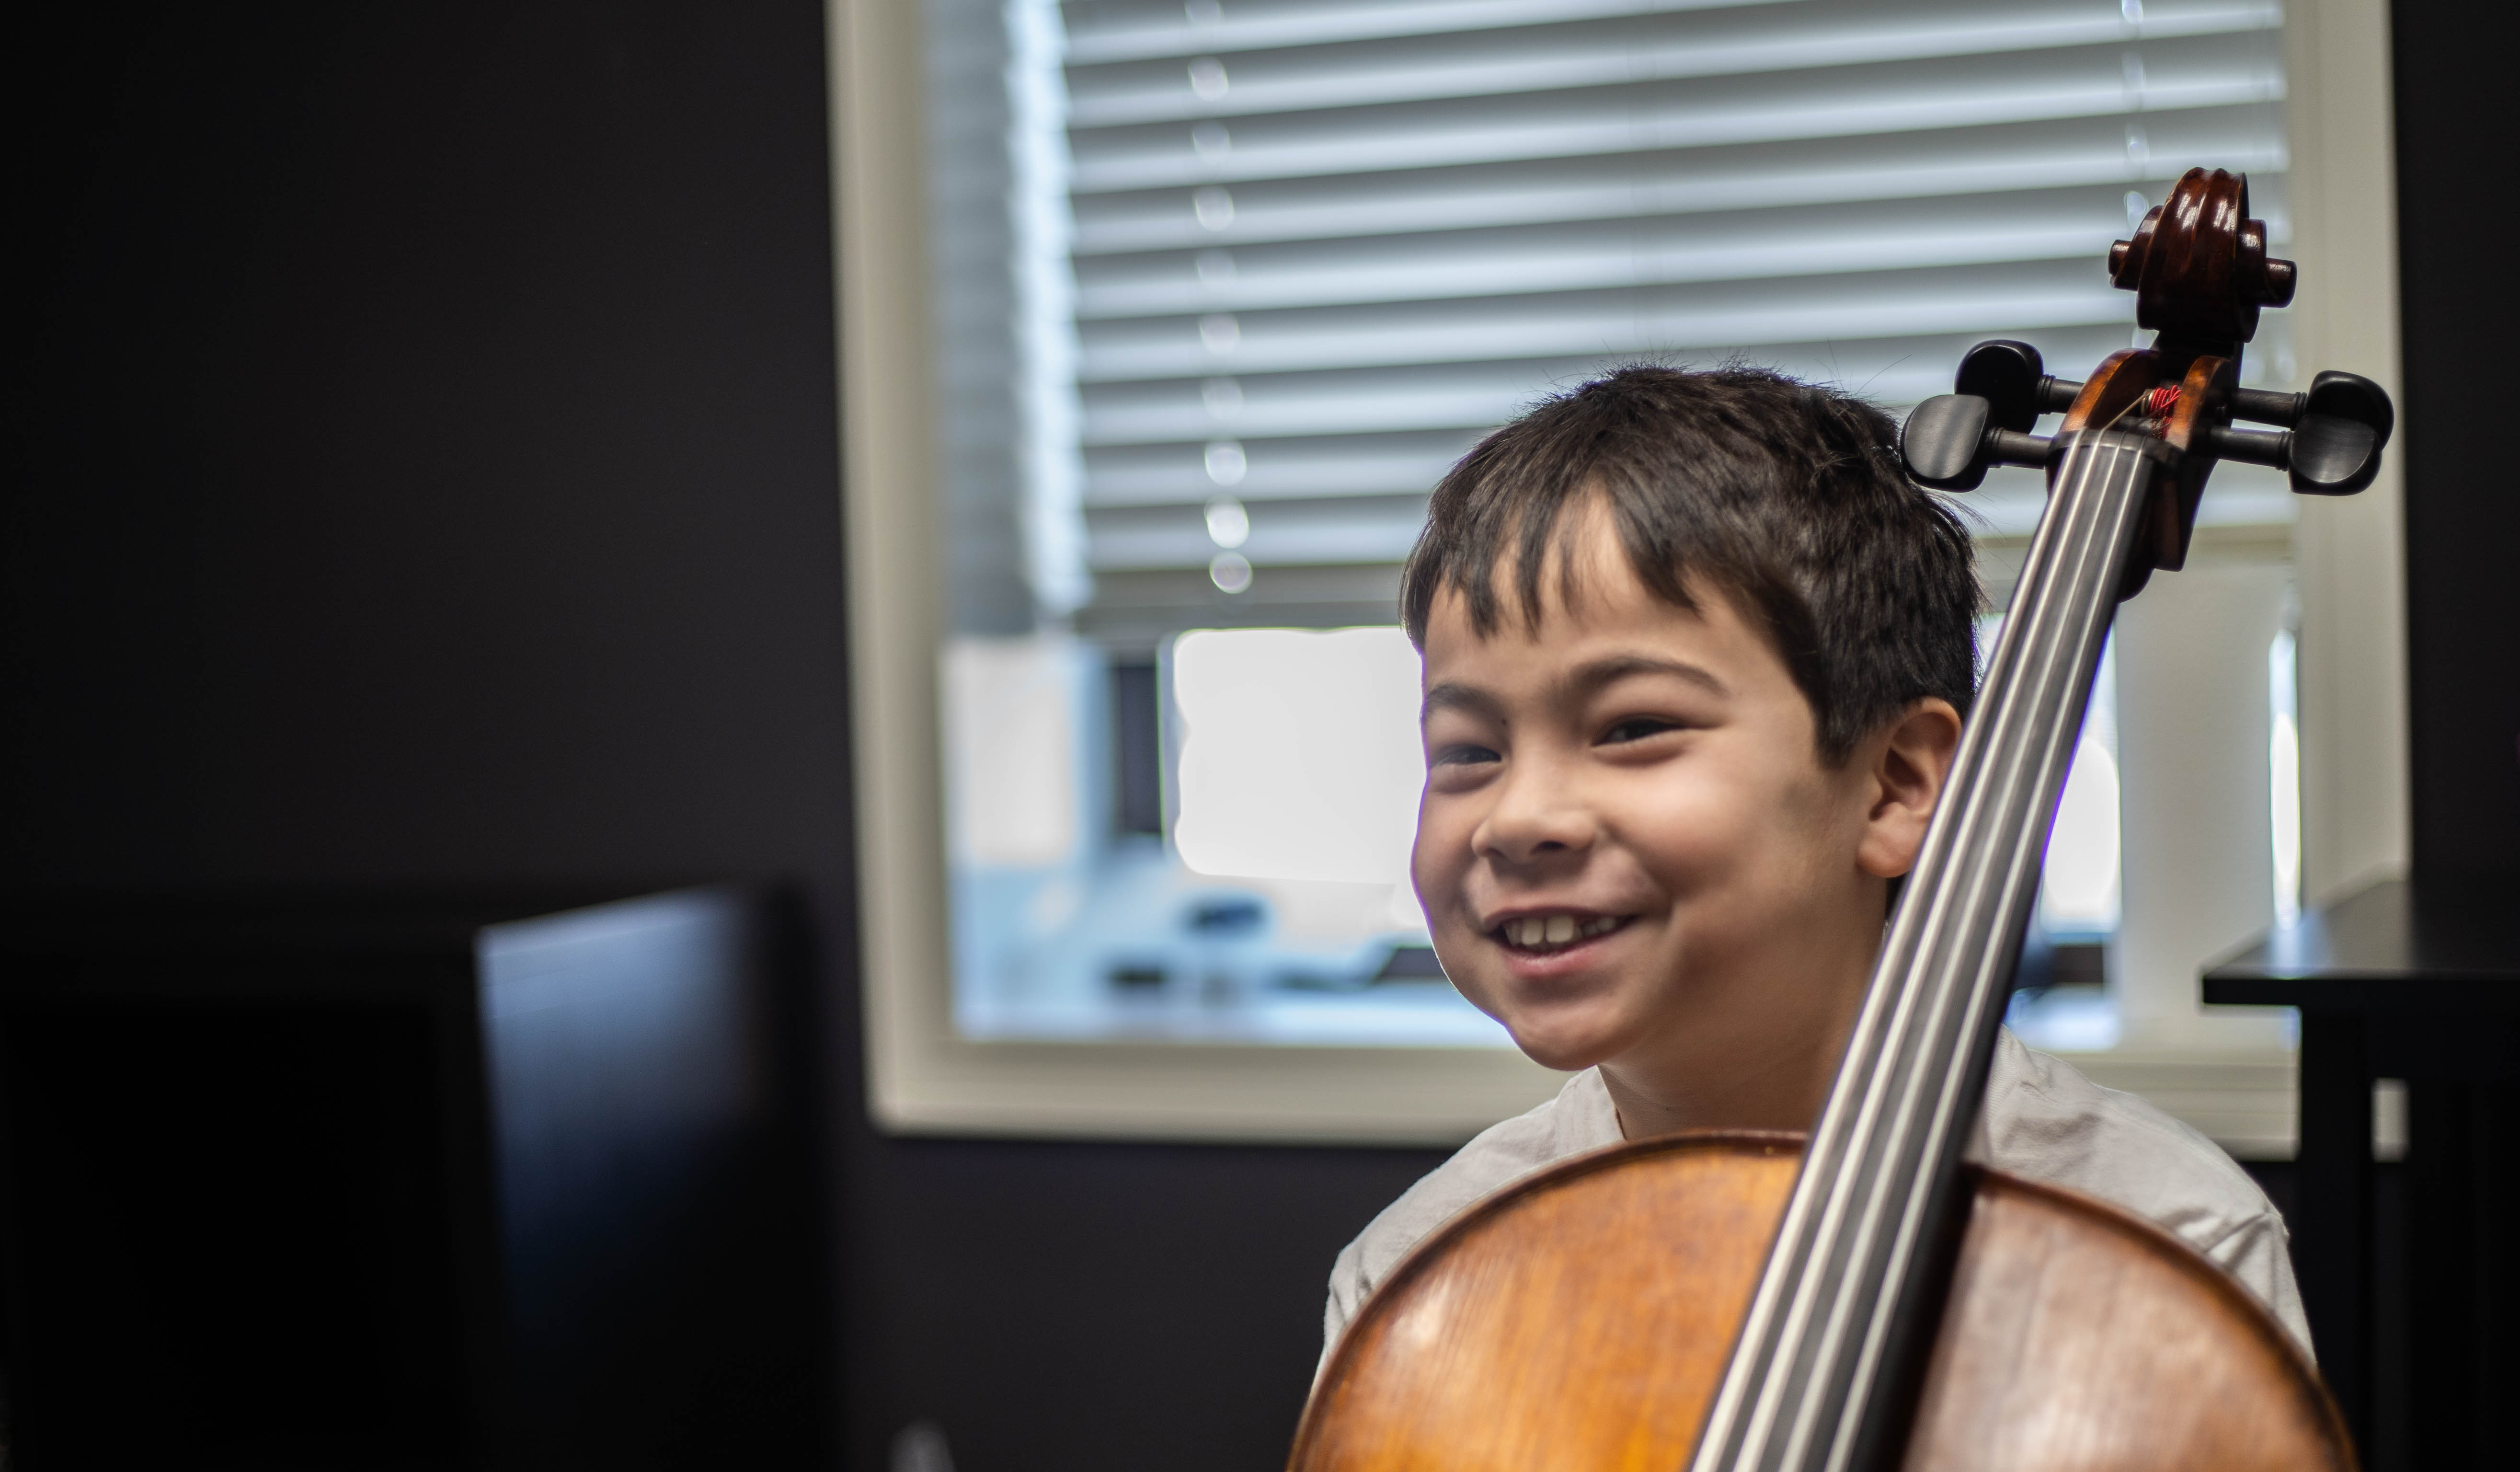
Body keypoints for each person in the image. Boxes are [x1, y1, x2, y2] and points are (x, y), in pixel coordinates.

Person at [1320, 364, 2308, 1372]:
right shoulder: (1421, 1281)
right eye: (1468, 753)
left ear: (1892, 785)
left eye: (1632, 727)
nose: (1516, 818)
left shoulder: (2168, 1249)